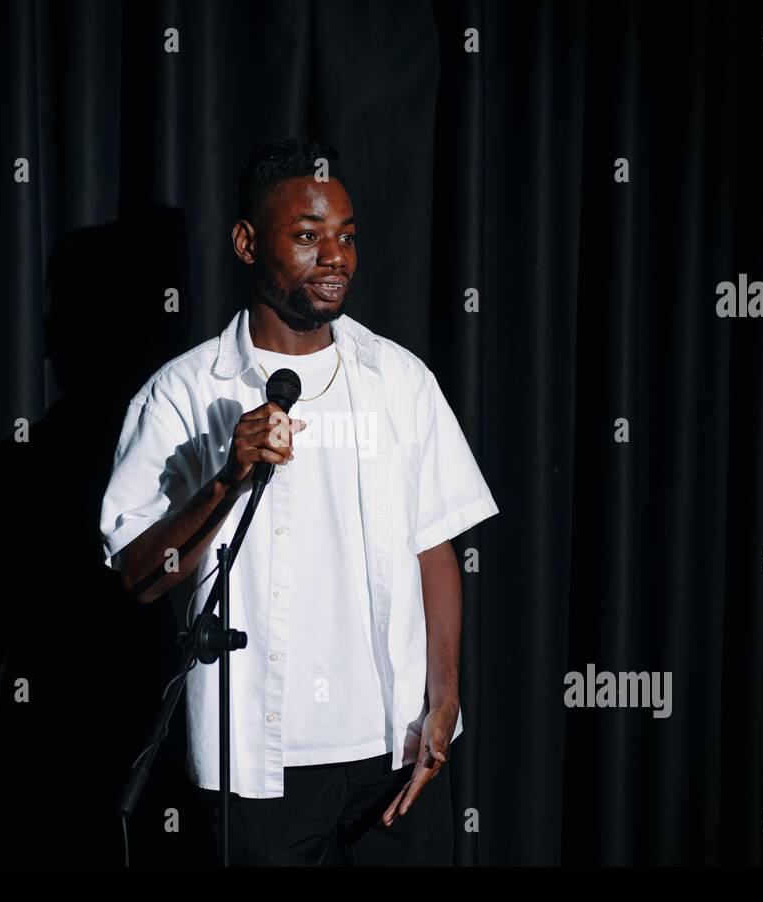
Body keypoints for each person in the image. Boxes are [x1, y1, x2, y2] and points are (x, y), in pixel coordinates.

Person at [99, 139, 499, 865]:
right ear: (248, 243)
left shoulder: (399, 381)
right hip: (260, 760)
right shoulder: (183, 394)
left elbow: (434, 545)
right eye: (309, 236)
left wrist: (444, 700)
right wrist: (225, 479)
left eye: (346, 235)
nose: (337, 256)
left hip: (393, 747)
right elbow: (138, 574)